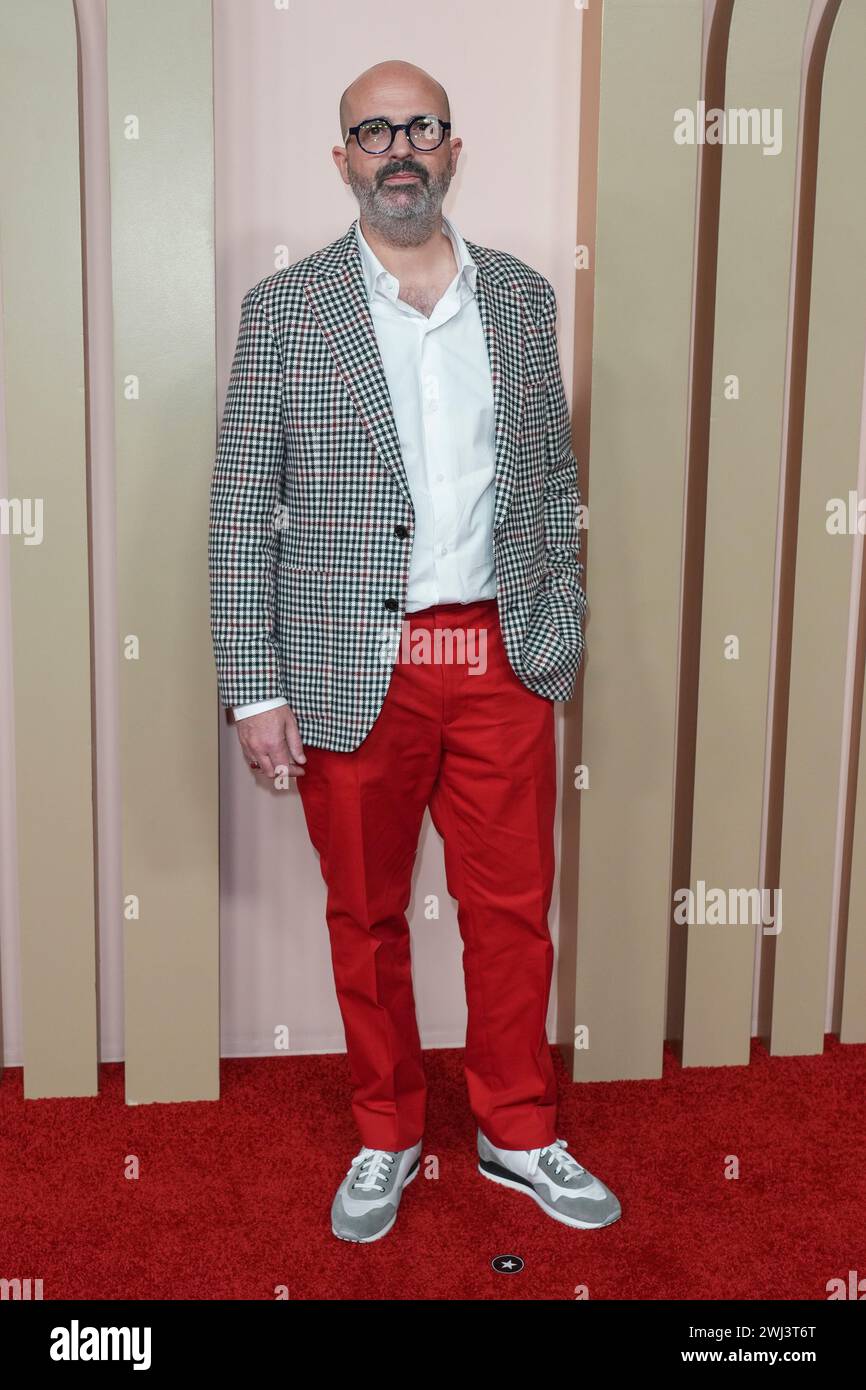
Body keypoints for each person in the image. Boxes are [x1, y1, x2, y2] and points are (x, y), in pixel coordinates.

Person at [208, 58, 620, 1243]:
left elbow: (547, 477)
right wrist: (255, 688)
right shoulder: (284, 313)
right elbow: (243, 506)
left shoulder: (524, 299)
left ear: (452, 148)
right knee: (367, 914)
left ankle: (517, 1129)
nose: (398, 148)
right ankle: (386, 1133)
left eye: (420, 127)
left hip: (497, 655)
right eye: (372, 131)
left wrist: (560, 618)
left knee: (511, 911)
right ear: (342, 160)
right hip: (352, 670)